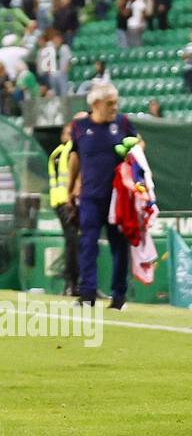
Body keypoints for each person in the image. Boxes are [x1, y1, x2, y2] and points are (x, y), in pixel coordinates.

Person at [66, 82, 137, 308]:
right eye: (110, 103)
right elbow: (75, 157)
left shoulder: (123, 123)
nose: (115, 107)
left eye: (116, 102)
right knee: (87, 243)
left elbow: (140, 143)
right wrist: (70, 188)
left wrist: (132, 150)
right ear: (96, 104)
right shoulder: (79, 126)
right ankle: (87, 295)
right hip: (90, 197)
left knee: (119, 246)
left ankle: (119, 297)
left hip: (117, 198)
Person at [48, 121, 78, 296]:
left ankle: (73, 283)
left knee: (74, 241)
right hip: (66, 202)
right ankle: (72, 282)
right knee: (74, 241)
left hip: (61, 202)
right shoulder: (66, 151)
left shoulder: (55, 154)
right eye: (69, 132)